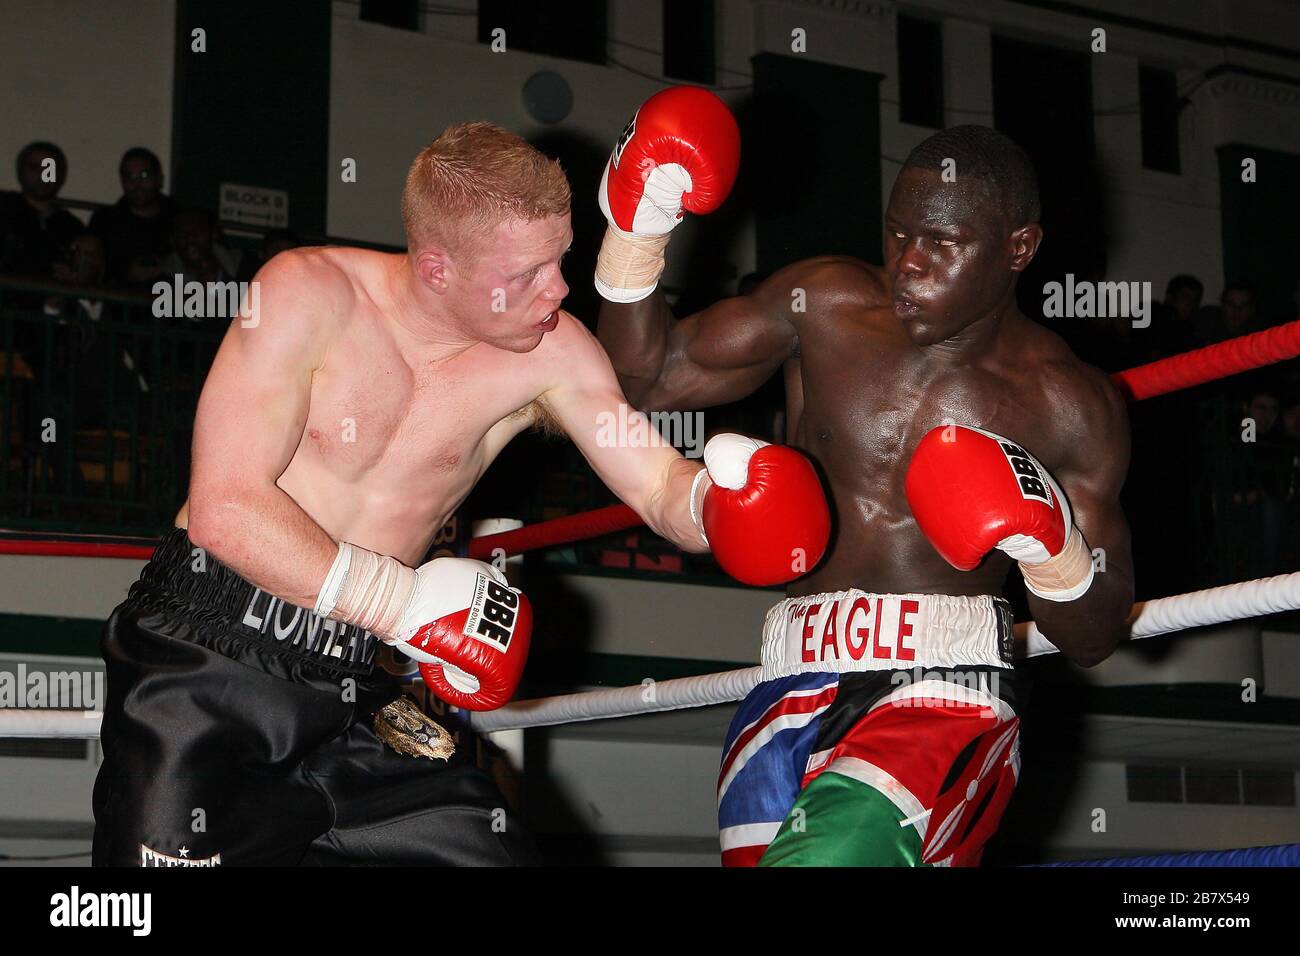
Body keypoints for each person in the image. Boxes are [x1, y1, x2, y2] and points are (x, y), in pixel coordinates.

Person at [91, 121, 827, 867]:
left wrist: (716, 502)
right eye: (529, 273)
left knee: (485, 851)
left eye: (561, 260)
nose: (560, 288)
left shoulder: (553, 348)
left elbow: (656, 479)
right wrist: (406, 608)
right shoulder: (306, 293)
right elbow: (226, 509)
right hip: (207, 652)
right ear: (438, 268)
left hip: (352, 681)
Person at [596, 100, 1134, 866]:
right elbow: (646, 378)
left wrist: (1051, 542)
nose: (907, 263)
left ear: (1019, 247)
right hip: (788, 680)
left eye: (941, 243)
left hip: (945, 693)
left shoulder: (1070, 403)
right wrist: (637, 230)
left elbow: (1095, 635)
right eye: (898, 233)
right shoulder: (826, 305)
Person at [89, 147, 175, 288]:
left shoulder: (180, 221)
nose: (137, 184)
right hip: (118, 305)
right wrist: (126, 275)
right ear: (122, 182)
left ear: (159, 180)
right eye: (130, 177)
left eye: (144, 175)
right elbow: (92, 270)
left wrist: (167, 270)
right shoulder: (104, 221)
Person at [0, 141, 84, 279]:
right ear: (20, 172)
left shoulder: (71, 227)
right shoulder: (4, 209)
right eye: (34, 168)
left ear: (61, 175)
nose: (43, 175)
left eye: (50, 168)